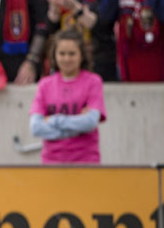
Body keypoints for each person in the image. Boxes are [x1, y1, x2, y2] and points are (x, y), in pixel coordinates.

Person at [29, 29, 106, 164]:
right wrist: (76, 125)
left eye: (72, 54)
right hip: (51, 161)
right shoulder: (44, 85)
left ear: (81, 55)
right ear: (54, 55)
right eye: (62, 54)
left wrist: (53, 120)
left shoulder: (94, 82)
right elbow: (36, 127)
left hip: (86, 161)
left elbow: (90, 122)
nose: (66, 59)